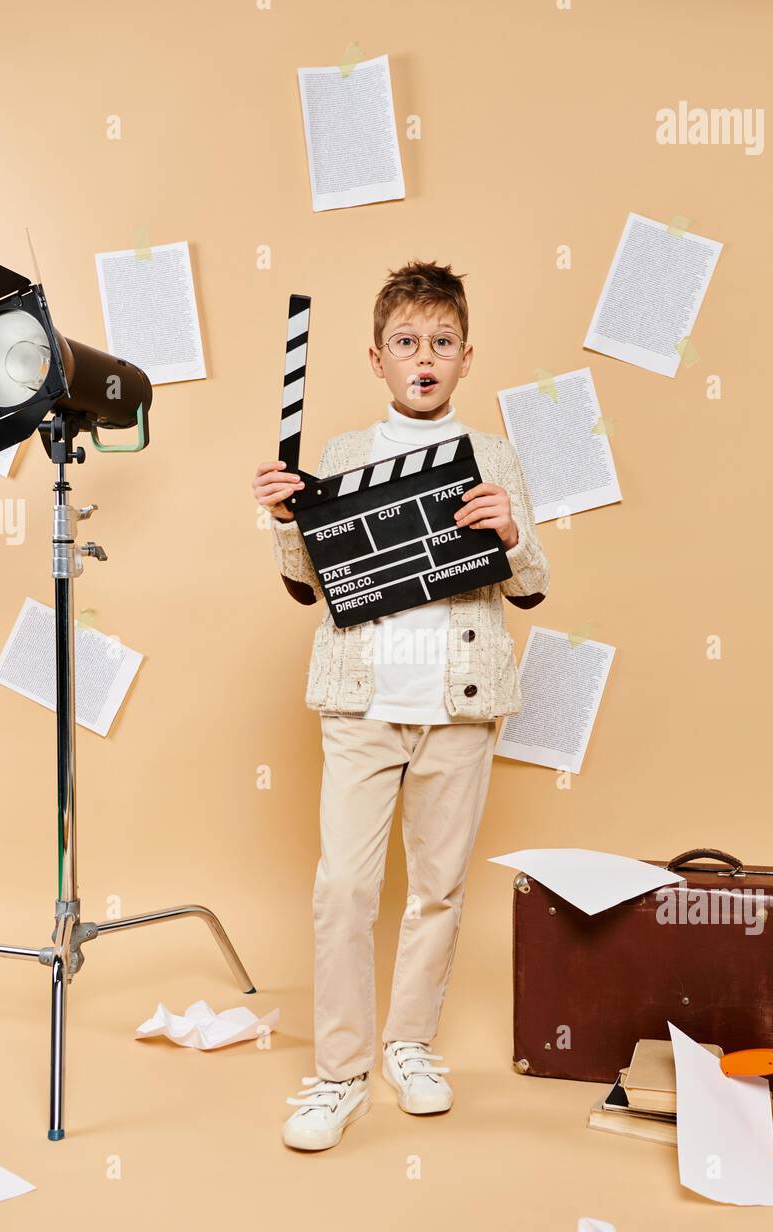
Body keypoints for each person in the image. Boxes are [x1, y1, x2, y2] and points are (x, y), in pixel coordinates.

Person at [252, 259, 549, 1150]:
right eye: (407, 343)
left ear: (467, 358)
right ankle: (340, 1073)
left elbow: (532, 586)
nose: (426, 357)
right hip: (361, 702)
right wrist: (281, 521)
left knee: (439, 888)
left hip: (460, 704)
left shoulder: (494, 456)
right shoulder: (338, 455)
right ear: (377, 358)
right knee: (343, 887)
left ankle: (409, 1044)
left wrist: (513, 533)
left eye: (443, 343)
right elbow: (310, 586)